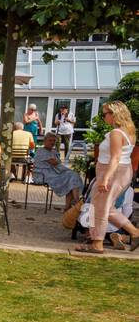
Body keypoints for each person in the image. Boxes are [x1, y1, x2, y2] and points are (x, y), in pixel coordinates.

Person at [81, 100, 139, 254]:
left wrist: (105, 178)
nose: (103, 117)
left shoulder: (116, 133)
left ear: (114, 114)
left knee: (99, 208)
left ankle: (97, 243)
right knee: (106, 207)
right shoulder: (128, 131)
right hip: (120, 172)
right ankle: (134, 232)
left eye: (105, 113)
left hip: (113, 172)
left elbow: (115, 158)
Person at [31, 133, 83, 205]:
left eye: (54, 141)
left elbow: (58, 165)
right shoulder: (41, 151)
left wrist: (68, 171)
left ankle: (70, 205)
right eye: (50, 140)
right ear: (45, 141)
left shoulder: (53, 151)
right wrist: (68, 170)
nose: (52, 142)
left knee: (72, 177)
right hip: (43, 175)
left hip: (54, 173)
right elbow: (56, 164)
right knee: (72, 176)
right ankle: (76, 202)